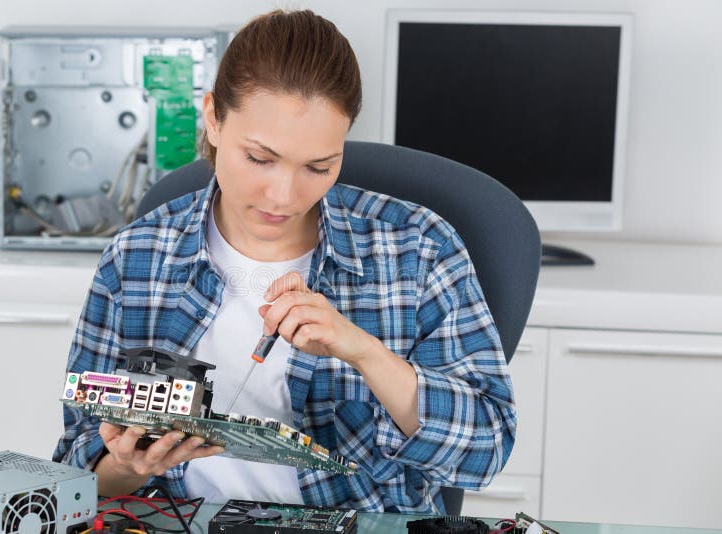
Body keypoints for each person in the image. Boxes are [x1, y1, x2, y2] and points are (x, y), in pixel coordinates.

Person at [54, 9, 516, 514]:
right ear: (213, 118)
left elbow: (486, 452)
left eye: (319, 166)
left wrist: (363, 352)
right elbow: (78, 466)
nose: (283, 195)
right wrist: (126, 465)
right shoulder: (138, 255)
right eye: (259, 158)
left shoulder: (418, 248)